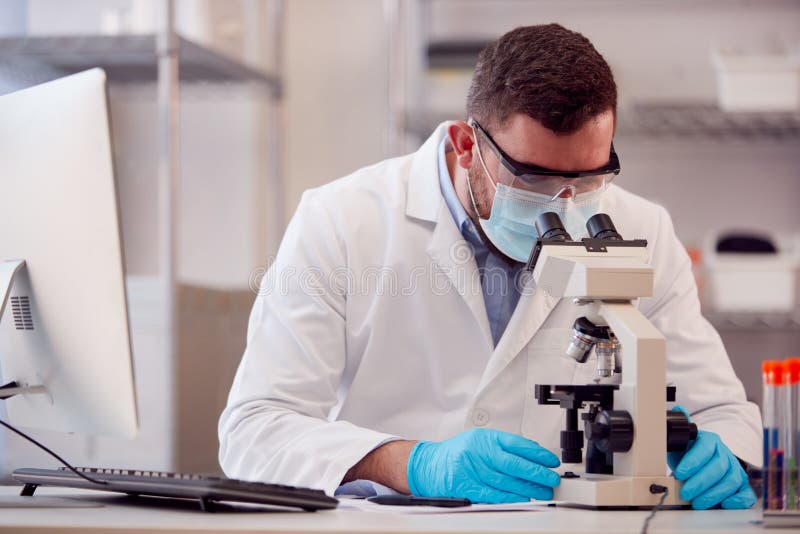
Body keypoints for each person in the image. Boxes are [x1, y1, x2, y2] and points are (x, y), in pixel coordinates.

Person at [219, 24, 760, 509]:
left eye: (591, 179)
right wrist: (412, 464)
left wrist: (727, 457)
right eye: (535, 180)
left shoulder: (645, 229)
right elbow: (255, 431)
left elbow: (721, 412)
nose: (566, 204)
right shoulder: (340, 221)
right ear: (464, 144)